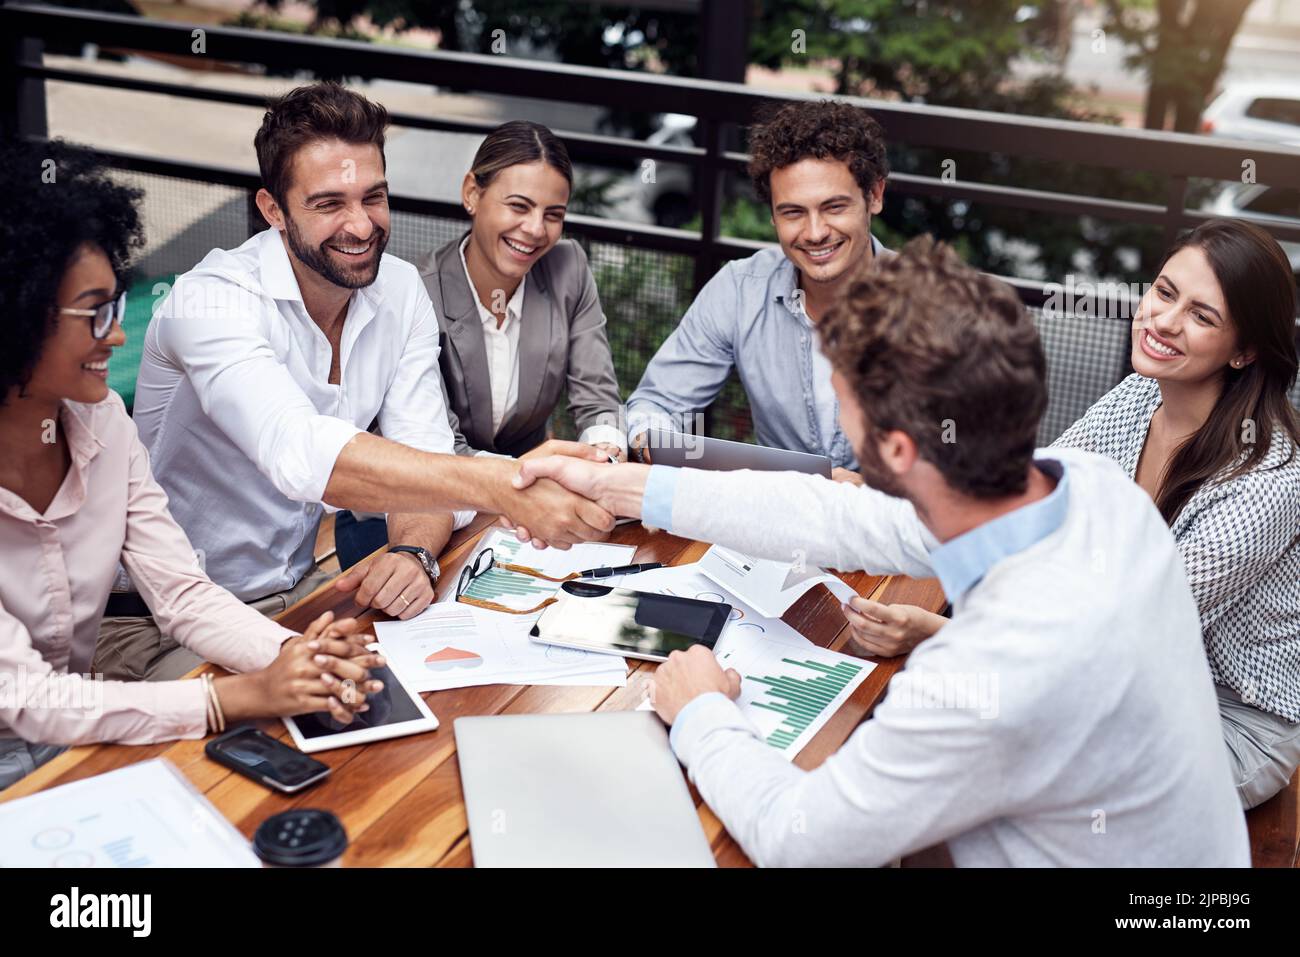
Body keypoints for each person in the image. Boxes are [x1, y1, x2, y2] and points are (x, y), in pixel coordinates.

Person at [515, 236, 1249, 866]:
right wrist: (618, 486)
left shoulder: (984, 678)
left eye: (843, 400)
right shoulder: (1092, 488)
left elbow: (799, 840)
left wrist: (702, 710)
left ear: (896, 450)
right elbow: (838, 515)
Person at [112, 83, 613, 683]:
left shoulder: (398, 290)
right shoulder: (210, 301)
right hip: (153, 621)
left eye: (373, 197)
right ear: (273, 211)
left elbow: (425, 460)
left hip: (298, 595)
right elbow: (299, 453)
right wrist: (505, 484)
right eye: (329, 203)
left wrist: (414, 551)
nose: (361, 225)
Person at [0, 138, 378, 790]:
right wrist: (232, 698)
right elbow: (26, 696)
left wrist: (297, 655)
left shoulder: (103, 423)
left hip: (73, 735)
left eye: (117, 305)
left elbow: (182, 593)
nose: (119, 334)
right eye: (96, 313)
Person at [1052, 220, 1300, 809]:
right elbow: (1034, 494)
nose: (1163, 322)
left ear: (1244, 351)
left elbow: (1128, 619)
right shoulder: (1142, 394)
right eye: (1164, 292)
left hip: (1227, 720)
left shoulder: (1267, 480)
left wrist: (943, 632)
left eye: (1201, 316)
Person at [334, 121, 626, 569]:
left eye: (553, 214)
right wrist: (533, 479)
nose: (535, 229)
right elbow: (436, 449)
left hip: (519, 511)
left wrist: (604, 454)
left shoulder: (568, 269)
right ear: (472, 193)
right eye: (518, 206)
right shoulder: (418, 293)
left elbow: (598, 398)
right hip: (406, 516)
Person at [625, 100, 892, 482]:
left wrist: (870, 491)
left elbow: (966, 458)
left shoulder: (935, 308)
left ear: (875, 195)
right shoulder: (740, 290)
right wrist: (651, 440)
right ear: (773, 215)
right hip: (771, 510)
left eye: (834, 207)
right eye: (793, 212)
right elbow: (656, 405)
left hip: (893, 516)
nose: (815, 232)